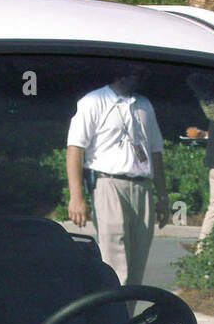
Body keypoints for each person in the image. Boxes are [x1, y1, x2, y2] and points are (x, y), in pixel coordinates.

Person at [66, 63, 169, 285]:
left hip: (142, 186)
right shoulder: (93, 102)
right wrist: (76, 197)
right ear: (121, 75)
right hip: (108, 185)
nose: (143, 78)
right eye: (139, 73)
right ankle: (112, 318)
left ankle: (127, 319)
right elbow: (75, 149)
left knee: (136, 267)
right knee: (115, 264)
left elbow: (156, 153)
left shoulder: (144, 105)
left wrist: (162, 196)